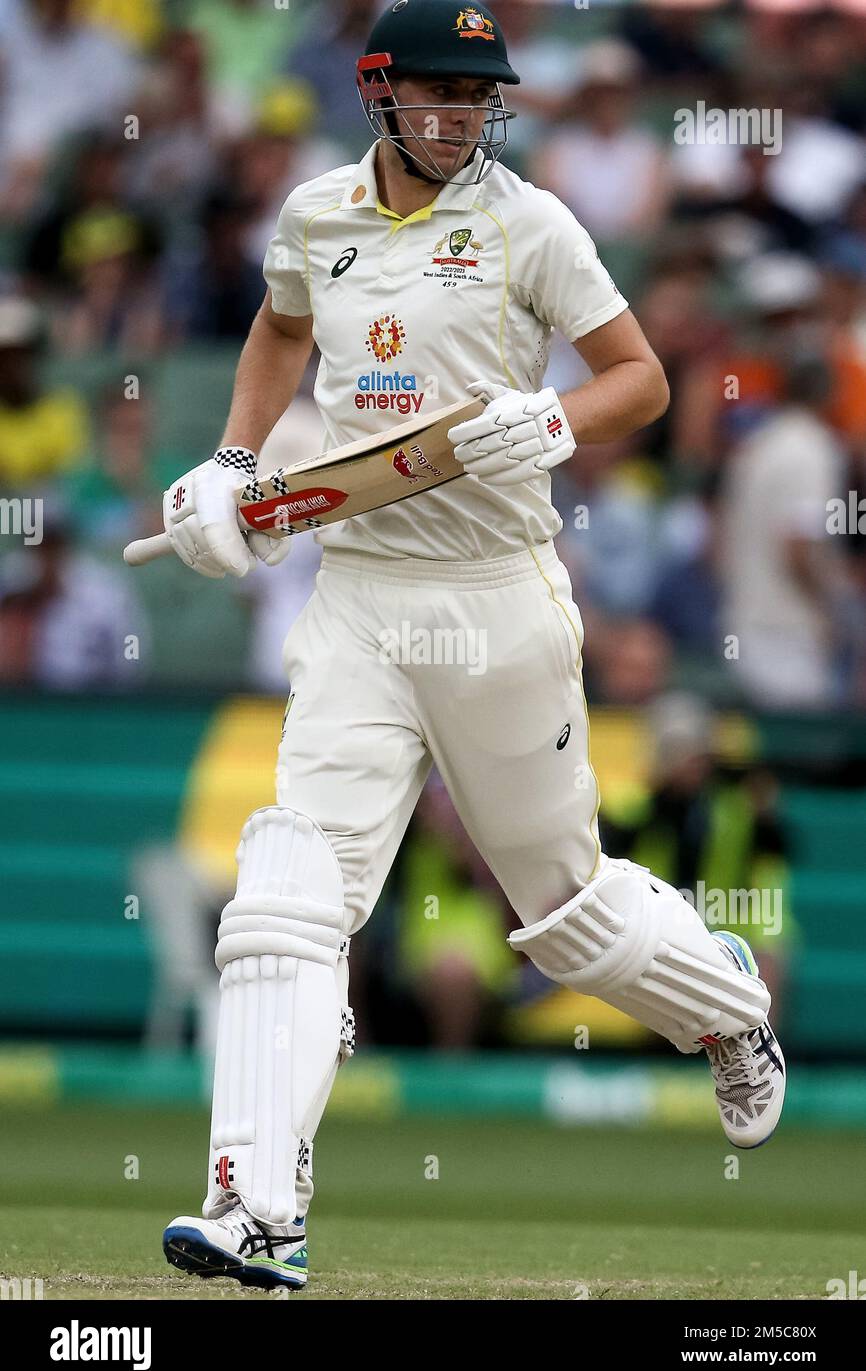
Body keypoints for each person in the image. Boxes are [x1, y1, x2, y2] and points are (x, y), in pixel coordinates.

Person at [160, 1, 785, 1292]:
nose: (462, 116)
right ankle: (256, 1205)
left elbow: (641, 378)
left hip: (497, 594)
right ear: (380, 92)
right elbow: (280, 328)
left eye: (478, 95)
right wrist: (233, 461)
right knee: (290, 889)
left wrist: (550, 425)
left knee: (562, 915)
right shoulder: (316, 215)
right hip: (360, 595)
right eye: (439, 93)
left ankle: (724, 1005)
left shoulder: (528, 221)